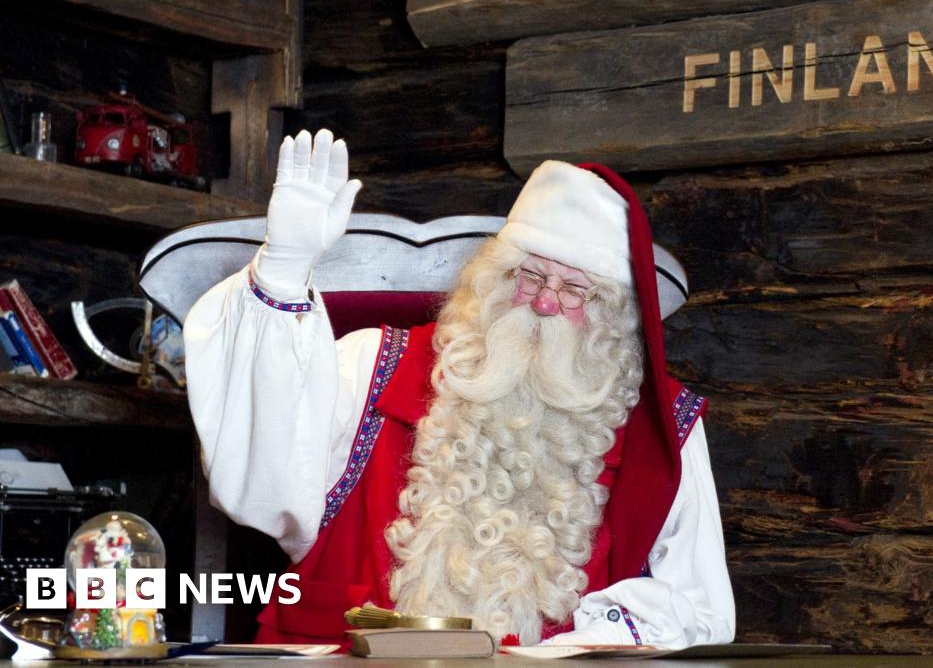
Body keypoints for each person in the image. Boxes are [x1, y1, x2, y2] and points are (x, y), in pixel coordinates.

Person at [183, 129, 735, 648]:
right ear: (493, 275)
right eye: (530, 275)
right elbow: (257, 485)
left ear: (612, 318)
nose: (544, 302)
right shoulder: (371, 363)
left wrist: (598, 637)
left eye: (575, 292)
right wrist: (282, 272)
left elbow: (701, 608)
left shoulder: (661, 431)